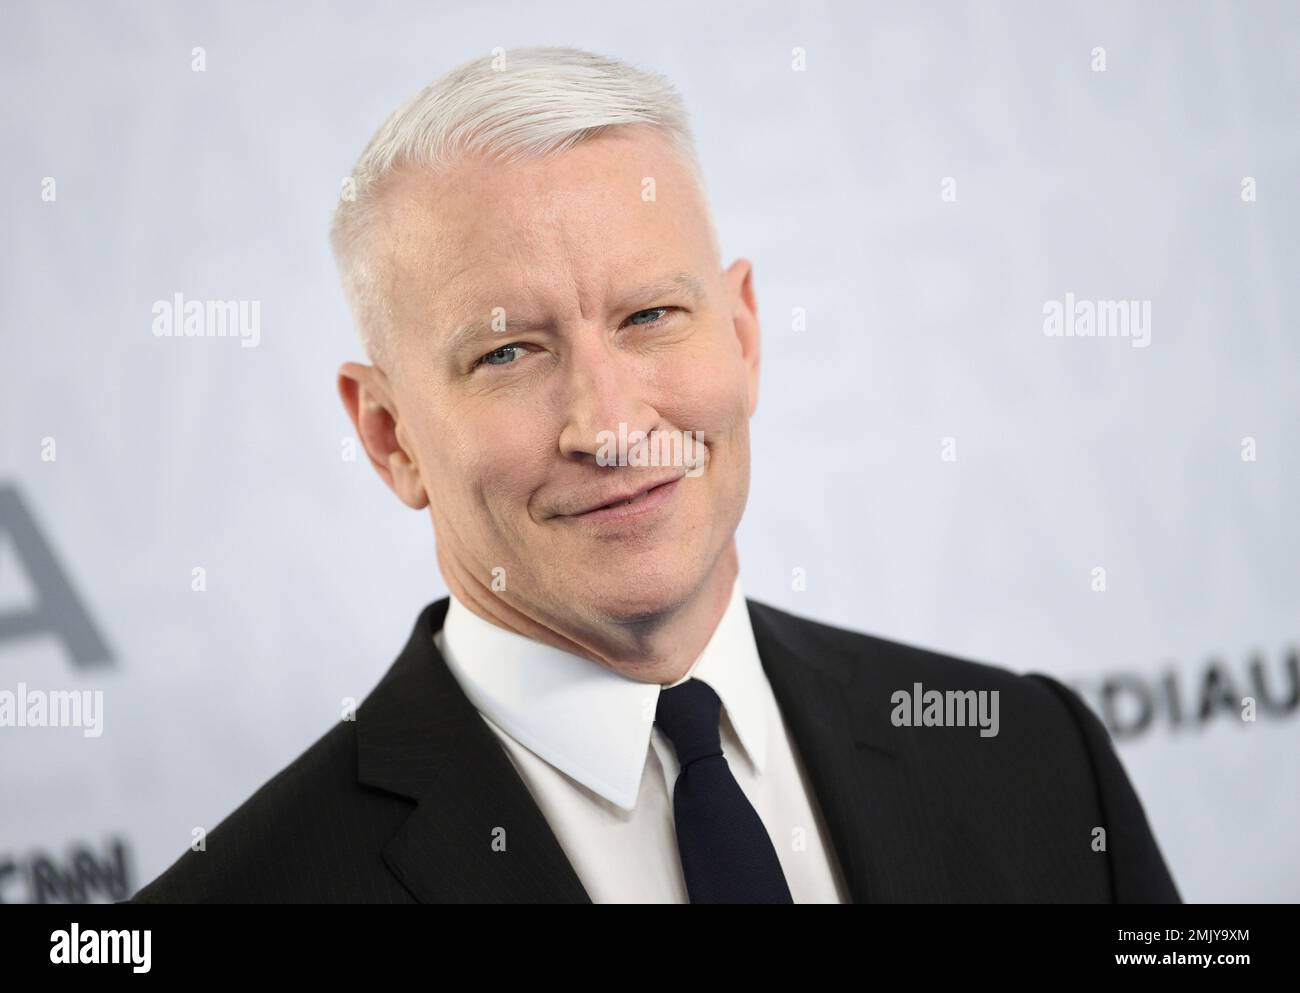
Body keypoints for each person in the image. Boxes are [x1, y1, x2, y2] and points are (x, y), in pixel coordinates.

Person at [129, 46, 1180, 904]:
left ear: (746, 333)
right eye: (507, 353)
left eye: (649, 317)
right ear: (391, 435)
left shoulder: (1030, 757)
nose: (612, 424)